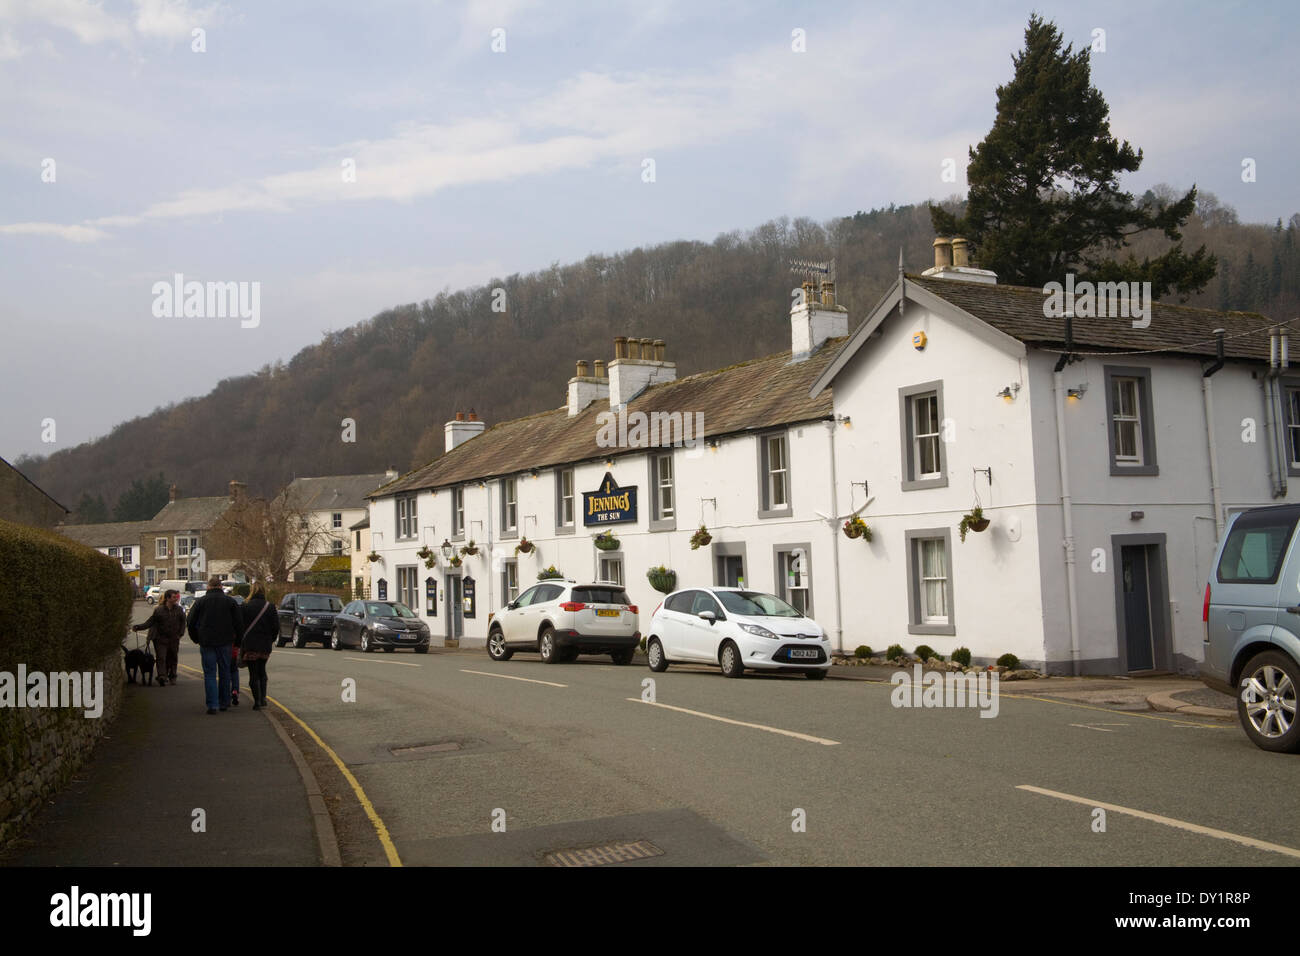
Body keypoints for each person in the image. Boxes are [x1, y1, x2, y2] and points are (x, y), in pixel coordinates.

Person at [187, 575, 244, 715]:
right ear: (221, 586)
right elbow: (239, 624)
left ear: (208, 587)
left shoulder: (201, 602)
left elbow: (190, 621)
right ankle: (224, 702)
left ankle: (212, 705)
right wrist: (237, 642)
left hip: (207, 642)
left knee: (210, 674)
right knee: (225, 672)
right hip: (225, 642)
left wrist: (196, 638)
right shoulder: (230, 602)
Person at [132, 588, 185, 685]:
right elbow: (150, 622)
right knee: (161, 658)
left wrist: (180, 634)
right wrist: (139, 627)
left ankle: (172, 676)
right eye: (174, 597)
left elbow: (183, 622)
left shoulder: (179, 610)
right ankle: (162, 676)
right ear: (168, 598)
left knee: (172, 658)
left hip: (174, 638)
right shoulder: (159, 610)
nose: (176, 599)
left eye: (176, 597)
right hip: (160, 639)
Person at [239, 585, 278, 710]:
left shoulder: (245, 606)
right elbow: (275, 627)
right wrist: (270, 639)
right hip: (265, 644)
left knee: (253, 673)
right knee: (262, 670)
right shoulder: (270, 607)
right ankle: (263, 698)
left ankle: (257, 701)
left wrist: (241, 641)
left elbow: (240, 625)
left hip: (250, 644)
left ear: (252, 591)